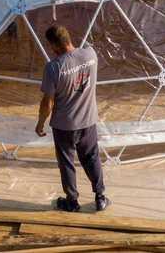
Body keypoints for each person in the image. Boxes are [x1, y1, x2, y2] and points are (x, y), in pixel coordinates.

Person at [35, 25, 110, 212]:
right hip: (88, 120)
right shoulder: (91, 55)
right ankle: (100, 197)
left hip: (64, 125)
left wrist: (40, 123)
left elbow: (48, 102)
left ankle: (72, 201)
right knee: (92, 158)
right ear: (69, 38)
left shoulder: (53, 68)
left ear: (53, 45)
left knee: (67, 163)